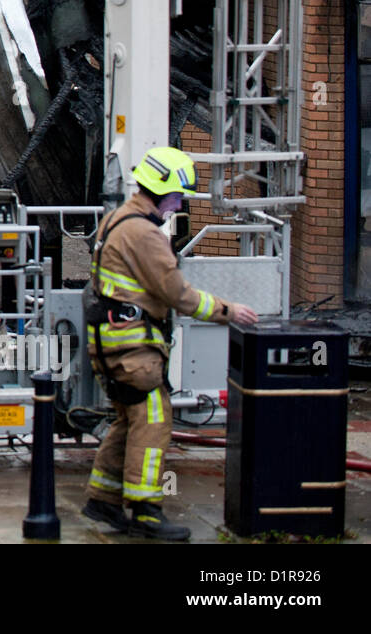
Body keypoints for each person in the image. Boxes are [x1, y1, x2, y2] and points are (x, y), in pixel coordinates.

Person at [82, 145, 258, 540]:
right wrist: (230, 311)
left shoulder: (117, 220)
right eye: (178, 196)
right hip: (131, 348)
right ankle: (147, 511)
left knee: (128, 421)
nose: (179, 205)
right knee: (155, 420)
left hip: (113, 343)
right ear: (162, 189)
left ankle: (103, 500)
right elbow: (179, 294)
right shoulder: (143, 233)